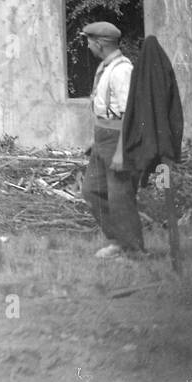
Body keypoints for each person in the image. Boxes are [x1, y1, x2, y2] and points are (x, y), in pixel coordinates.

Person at [79, 21, 142, 259]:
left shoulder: (122, 70)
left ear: (99, 43)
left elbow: (129, 115)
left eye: (89, 41)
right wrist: (96, 141)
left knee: (120, 196)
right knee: (92, 190)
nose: (88, 46)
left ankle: (133, 250)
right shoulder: (107, 67)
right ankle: (117, 241)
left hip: (119, 138)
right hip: (103, 137)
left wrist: (120, 152)